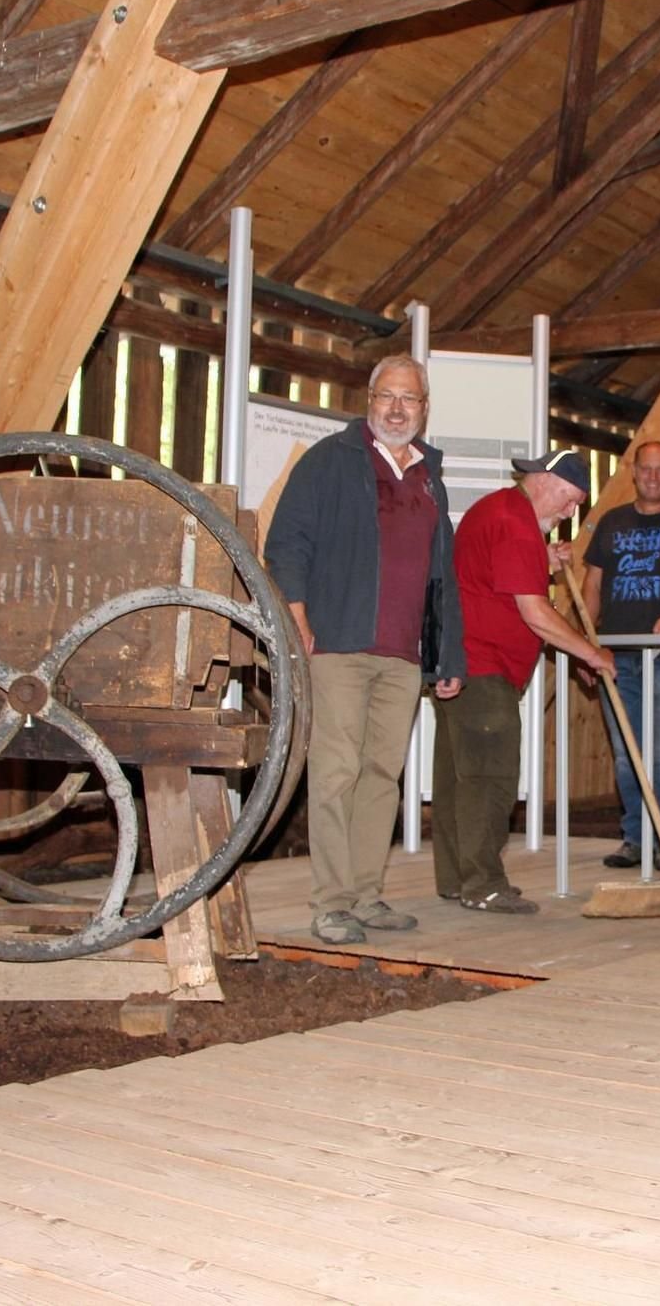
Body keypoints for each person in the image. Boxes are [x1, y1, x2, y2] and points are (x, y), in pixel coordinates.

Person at [265, 355, 464, 946]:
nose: (397, 409)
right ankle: (330, 904)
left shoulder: (430, 476)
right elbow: (287, 543)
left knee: (382, 775)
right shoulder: (329, 462)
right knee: (335, 773)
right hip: (340, 645)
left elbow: (441, 575)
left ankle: (365, 895)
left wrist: (446, 654)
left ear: (424, 410)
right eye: (387, 397)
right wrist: (298, 618)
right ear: (368, 400)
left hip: (403, 654)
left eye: (410, 400)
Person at [433, 449, 615, 912]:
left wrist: (543, 556)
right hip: (484, 668)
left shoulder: (503, 512)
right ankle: (484, 885)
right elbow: (535, 614)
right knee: (490, 777)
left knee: (460, 777)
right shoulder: (515, 525)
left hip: (460, 662)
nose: (570, 512)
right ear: (542, 480)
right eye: (570, 500)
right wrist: (590, 654)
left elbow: (500, 572)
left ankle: (459, 880)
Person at [581, 440, 660, 872]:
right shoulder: (611, 522)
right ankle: (635, 837)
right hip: (617, 656)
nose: (653, 477)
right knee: (625, 752)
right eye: (646, 469)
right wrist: (586, 643)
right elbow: (593, 586)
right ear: (633, 472)